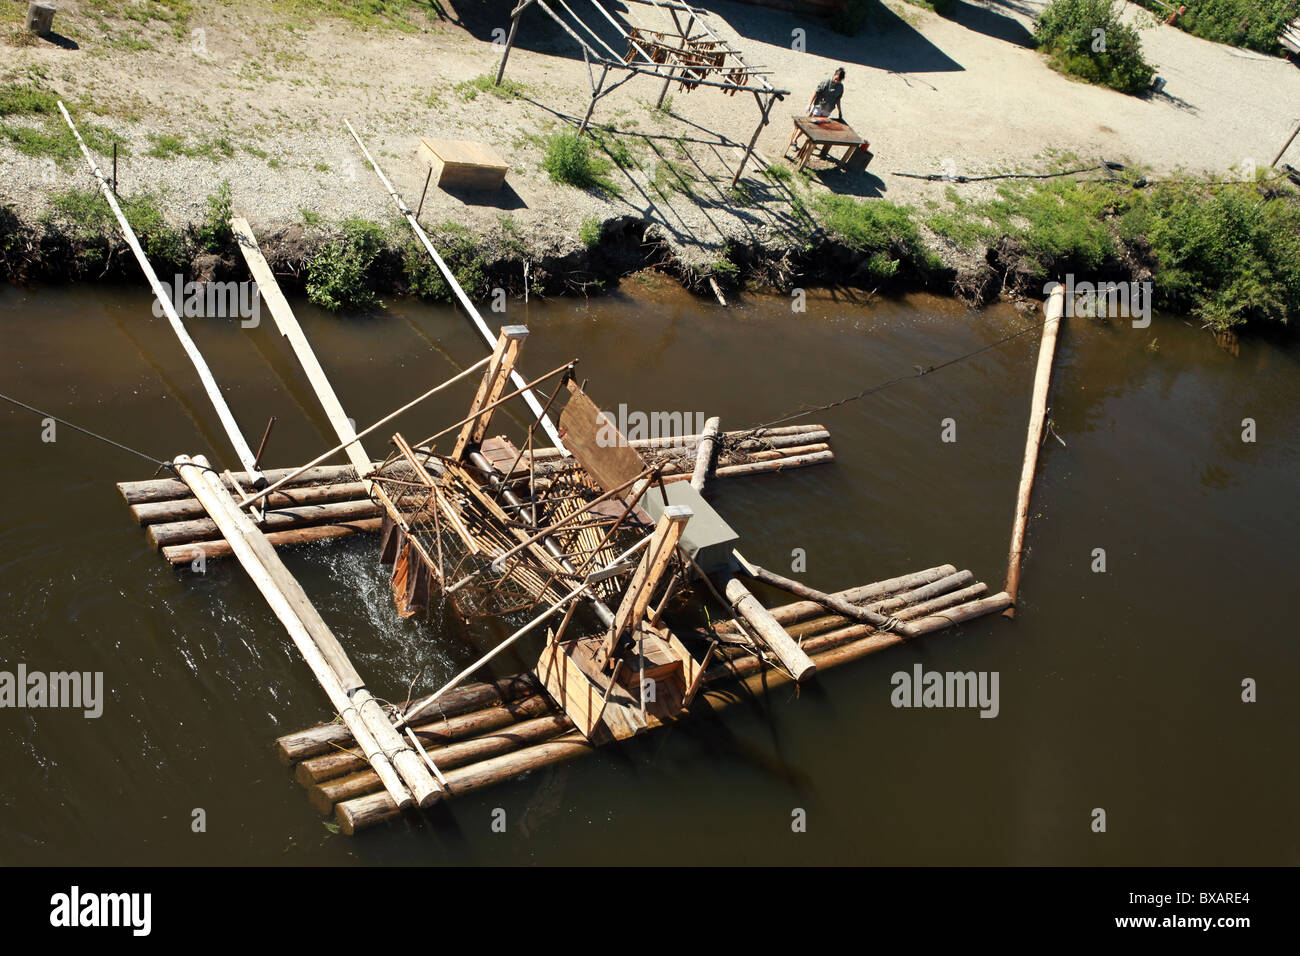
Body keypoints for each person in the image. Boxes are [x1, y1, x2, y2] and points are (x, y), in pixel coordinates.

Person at [788, 68, 846, 156]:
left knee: (818, 127)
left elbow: (838, 99)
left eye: (838, 80)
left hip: (827, 109)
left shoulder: (840, 87)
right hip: (819, 106)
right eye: (836, 79)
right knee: (808, 124)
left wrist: (839, 111)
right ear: (834, 75)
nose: (836, 81)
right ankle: (794, 140)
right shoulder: (826, 82)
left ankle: (809, 144)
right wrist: (810, 104)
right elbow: (817, 92)